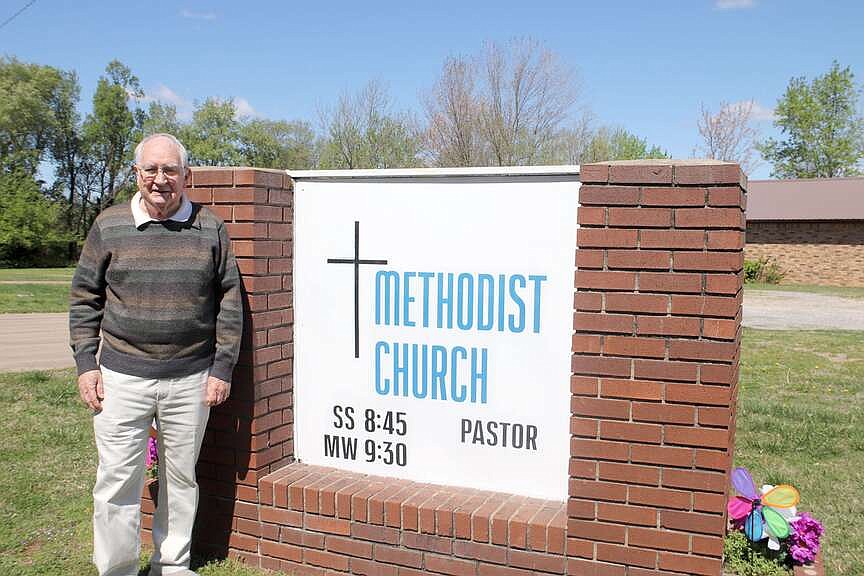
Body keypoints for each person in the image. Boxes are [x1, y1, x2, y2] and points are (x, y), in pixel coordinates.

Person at [69, 133, 243, 576]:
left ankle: (172, 564)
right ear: (137, 174)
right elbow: (85, 298)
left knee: (180, 480)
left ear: (187, 176)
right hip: (122, 376)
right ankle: (118, 569)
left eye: (170, 171)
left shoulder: (211, 228)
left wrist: (222, 367)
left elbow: (229, 301)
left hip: (190, 378)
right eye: (151, 169)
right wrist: (87, 364)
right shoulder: (109, 225)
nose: (160, 180)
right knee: (116, 481)